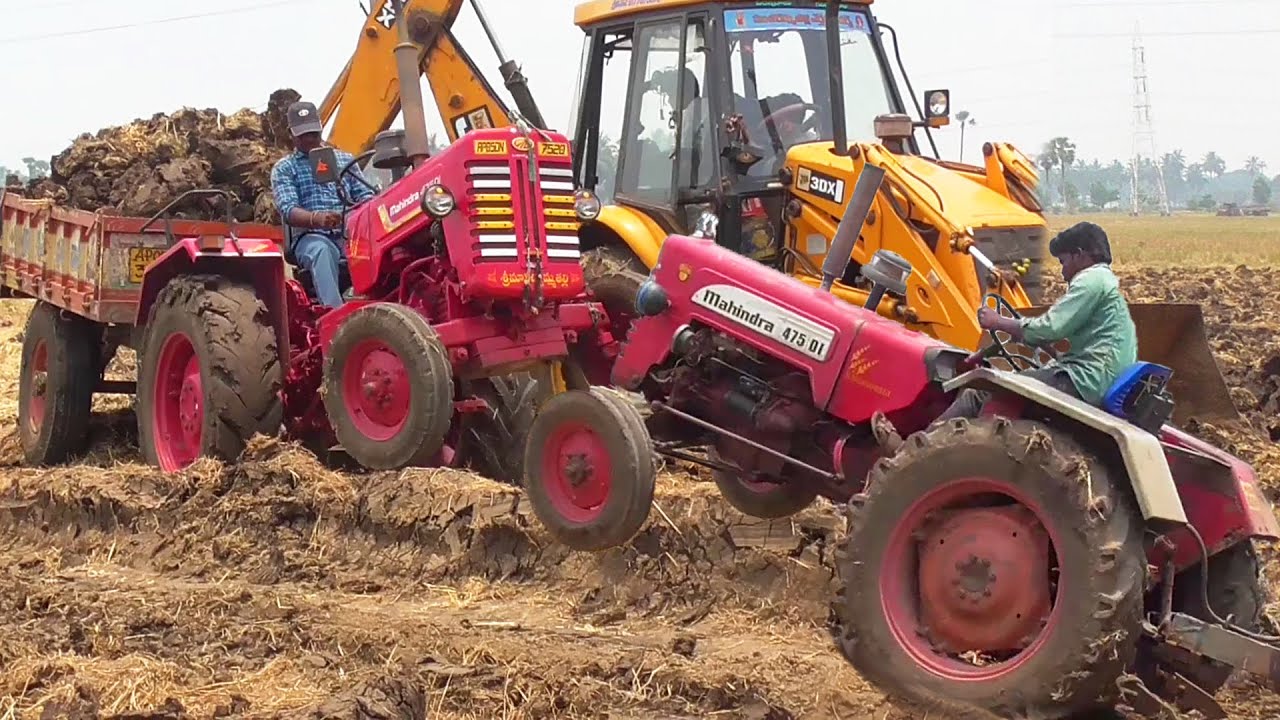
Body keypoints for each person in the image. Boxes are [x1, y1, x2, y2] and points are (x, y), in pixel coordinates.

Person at [934, 221, 1138, 422]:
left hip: (1085, 381)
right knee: (1008, 384)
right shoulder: (1106, 282)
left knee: (982, 392)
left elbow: (1050, 328)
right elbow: (1058, 335)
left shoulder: (1091, 280)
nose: (1063, 272)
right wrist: (1044, 344)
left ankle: (923, 447)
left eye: (1063, 261)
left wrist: (998, 322)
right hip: (1097, 379)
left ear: (1080, 254)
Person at [270, 100, 377, 308]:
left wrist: (351, 216)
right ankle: (336, 315)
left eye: (314, 133)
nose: (310, 139)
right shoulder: (284, 169)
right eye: (303, 135)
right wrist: (317, 219)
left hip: (349, 235)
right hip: (310, 237)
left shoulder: (344, 160)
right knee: (322, 251)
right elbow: (288, 209)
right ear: (291, 134)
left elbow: (366, 197)